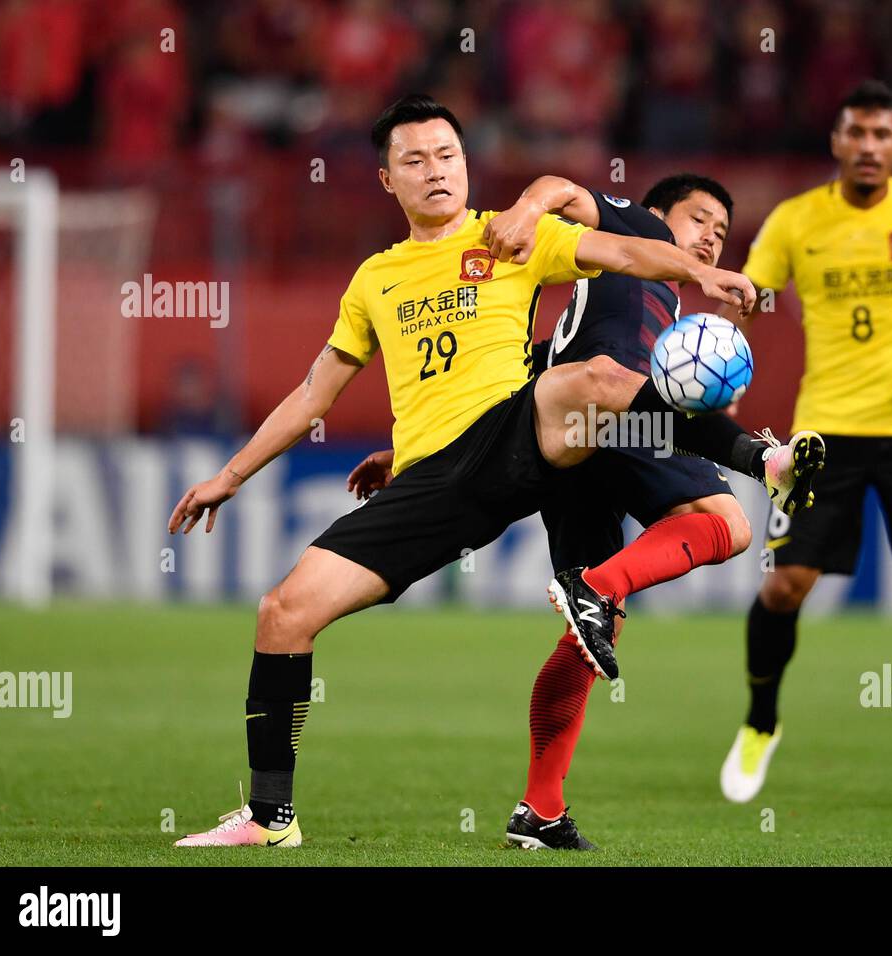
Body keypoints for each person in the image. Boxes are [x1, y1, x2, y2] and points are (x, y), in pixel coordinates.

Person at [167, 94, 811, 848]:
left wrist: (705, 275)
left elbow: (631, 253)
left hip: (513, 435)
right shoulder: (375, 279)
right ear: (387, 180)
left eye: (447, 155)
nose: (435, 171)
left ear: (467, 164)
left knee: (594, 378)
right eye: (414, 160)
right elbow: (317, 388)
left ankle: (762, 458)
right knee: (283, 613)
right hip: (434, 482)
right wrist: (232, 475)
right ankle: (271, 818)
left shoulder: (511, 239)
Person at [718, 80, 892, 813]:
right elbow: (746, 297)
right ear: (836, 143)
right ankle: (759, 723)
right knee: (782, 587)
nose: (869, 147)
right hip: (825, 432)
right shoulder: (796, 220)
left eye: (883, 136)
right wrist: (725, 366)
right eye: (856, 133)